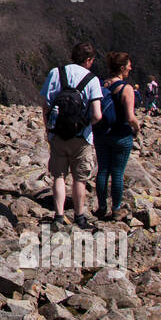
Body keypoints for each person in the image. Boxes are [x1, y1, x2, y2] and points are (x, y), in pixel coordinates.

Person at [40, 41, 104, 231]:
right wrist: (85, 126)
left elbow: (45, 104)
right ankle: (79, 216)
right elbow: (97, 114)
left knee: (59, 176)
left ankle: (58, 216)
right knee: (80, 178)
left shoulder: (55, 73)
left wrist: (49, 130)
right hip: (81, 137)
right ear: (89, 60)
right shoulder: (92, 79)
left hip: (58, 134)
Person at [95, 52, 141, 220]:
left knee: (102, 171)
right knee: (117, 173)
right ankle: (116, 208)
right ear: (122, 68)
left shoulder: (102, 85)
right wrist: (138, 127)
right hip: (121, 135)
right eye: (129, 65)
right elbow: (130, 117)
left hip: (101, 134)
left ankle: (101, 207)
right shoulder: (126, 89)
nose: (131, 67)